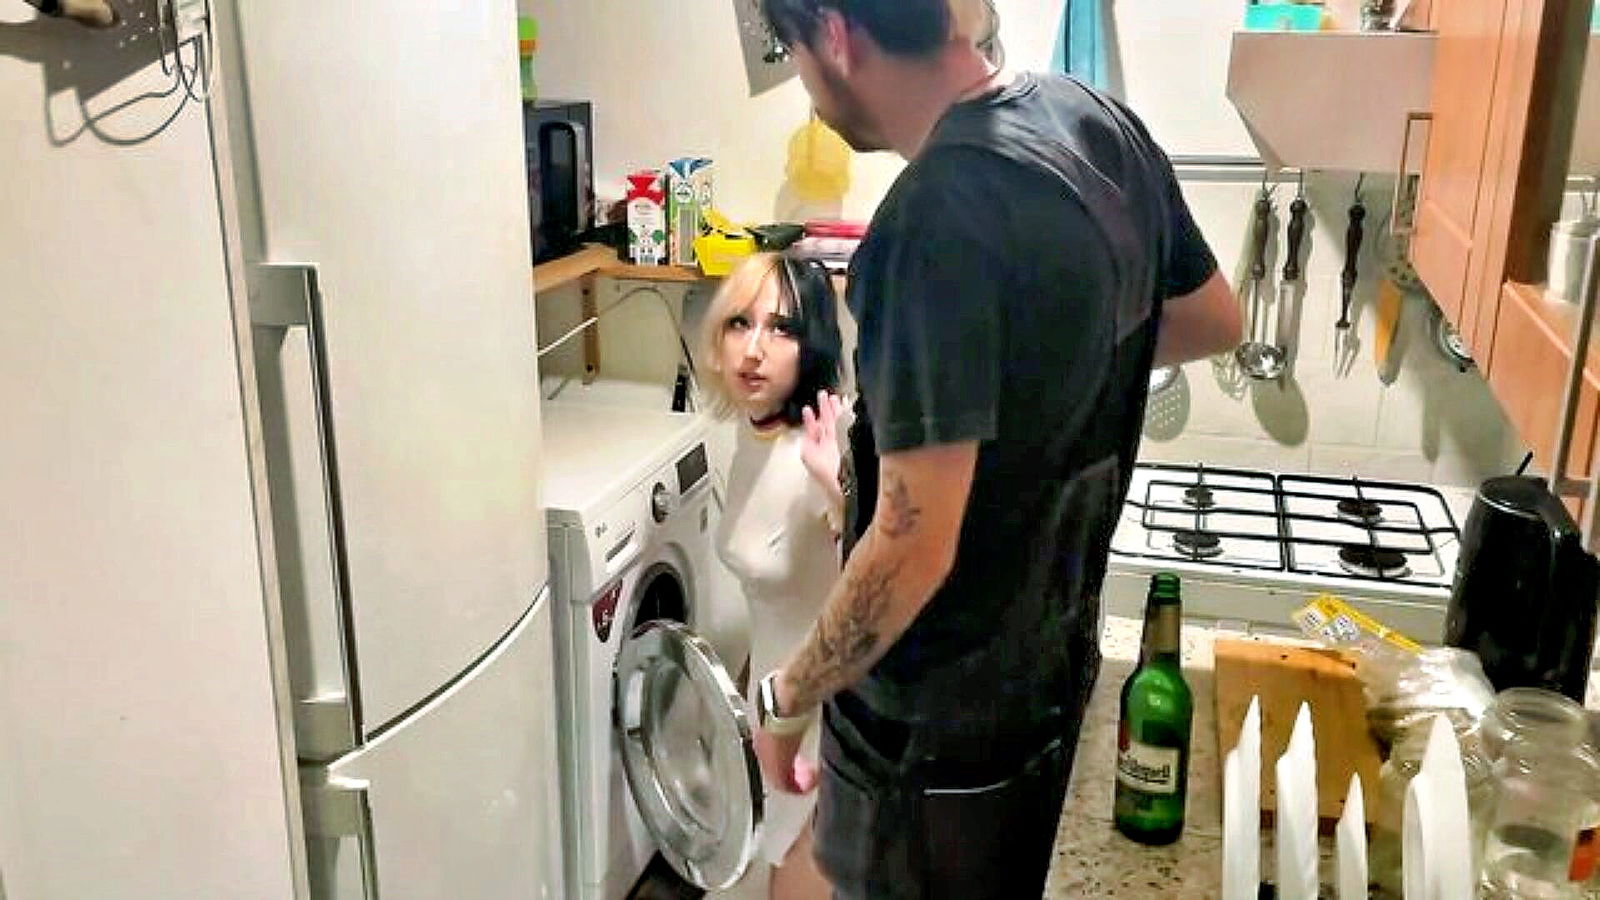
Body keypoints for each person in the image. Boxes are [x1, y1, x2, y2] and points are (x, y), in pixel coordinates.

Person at [746, 2, 1244, 897]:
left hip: (926, 758)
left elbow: (911, 549)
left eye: (792, 50)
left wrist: (785, 698)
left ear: (834, 33)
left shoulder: (927, 226)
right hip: (1046, 697)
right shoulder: (1097, 123)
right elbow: (1213, 319)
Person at [701, 252, 848, 900]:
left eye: (782, 329)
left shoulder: (828, 436)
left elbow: (882, 564)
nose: (753, 350)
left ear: (811, 342)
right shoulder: (750, 436)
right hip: (771, 714)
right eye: (740, 323)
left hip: (828, 724)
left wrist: (838, 487)